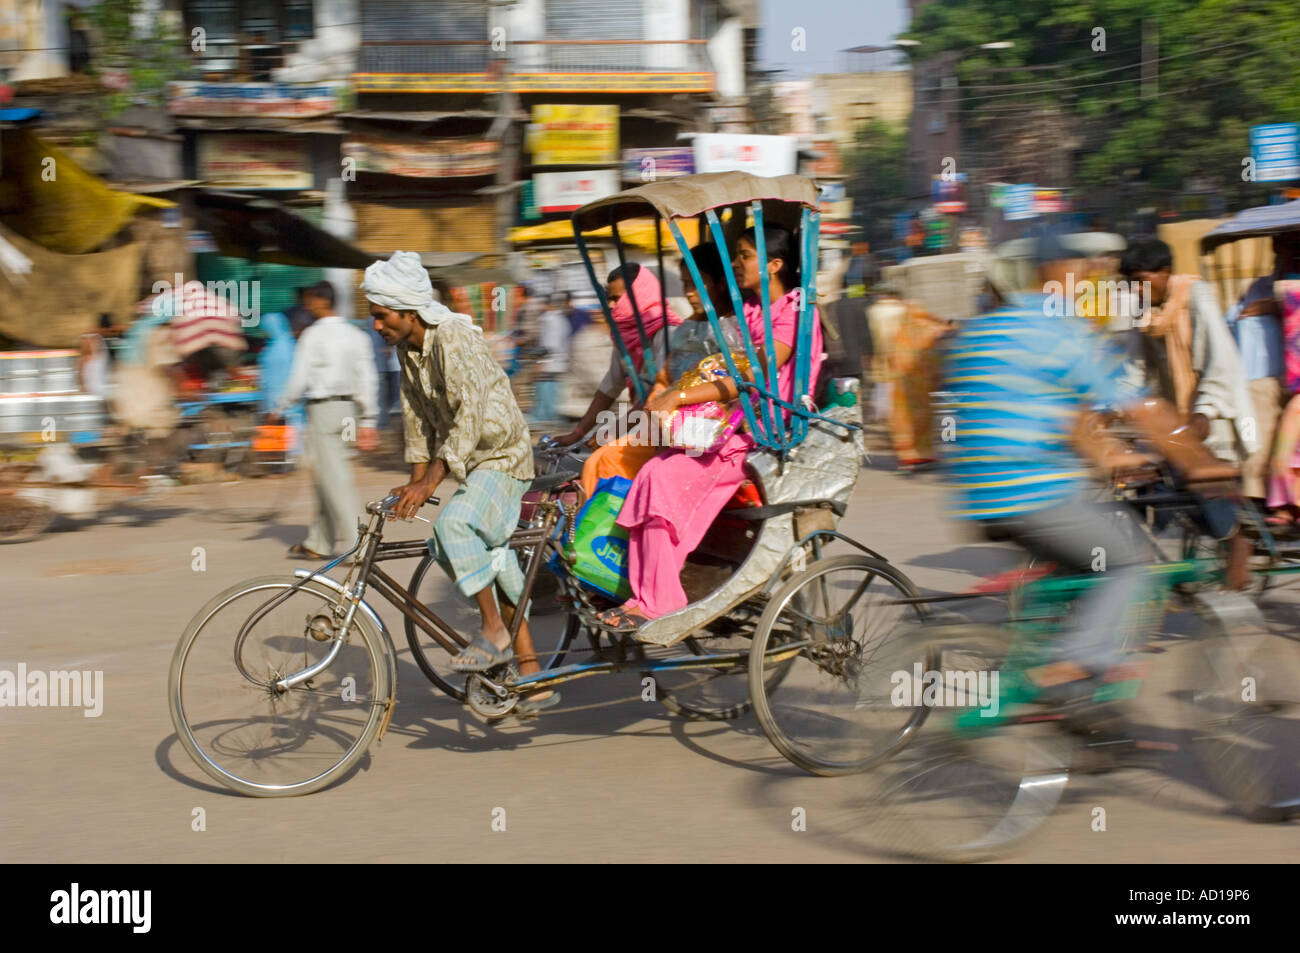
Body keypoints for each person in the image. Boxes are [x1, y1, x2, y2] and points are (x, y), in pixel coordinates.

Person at [944, 235, 1239, 712]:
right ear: (1059, 272)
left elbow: (1058, 414)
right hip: (1034, 491)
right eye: (1082, 272)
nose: (1087, 282)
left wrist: (1108, 457)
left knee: (1080, 567)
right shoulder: (1057, 327)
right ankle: (1070, 669)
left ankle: (1074, 698)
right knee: (1131, 562)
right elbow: (1140, 407)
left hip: (979, 493)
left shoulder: (983, 329)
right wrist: (1202, 464)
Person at [597, 224, 823, 628]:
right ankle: (644, 595)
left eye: (745, 256)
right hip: (727, 427)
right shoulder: (750, 312)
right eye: (735, 255)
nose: (736, 264)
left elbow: (754, 370)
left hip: (759, 436)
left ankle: (660, 602)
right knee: (650, 474)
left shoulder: (794, 313)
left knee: (664, 480)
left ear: (774, 265)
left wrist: (680, 397)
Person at [362, 251, 556, 713]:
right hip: (471, 461)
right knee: (465, 552)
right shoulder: (405, 350)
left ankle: (493, 631)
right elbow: (416, 422)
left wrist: (429, 483)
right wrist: (411, 486)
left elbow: (468, 416)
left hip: (503, 456)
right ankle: (532, 678)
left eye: (380, 316)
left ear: (409, 311)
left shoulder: (452, 338)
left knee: (452, 528)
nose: (376, 325)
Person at [578, 242, 741, 498]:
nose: (689, 294)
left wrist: (629, 424)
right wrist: (582, 431)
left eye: (695, 285)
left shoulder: (691, 330)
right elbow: (657, 382)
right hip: (662, 425)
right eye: (685, 285)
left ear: (720, 283)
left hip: (704, 429)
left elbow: (729, 384)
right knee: (599, 460)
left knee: (609, 461)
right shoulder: (683, 330)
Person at [1118, 236, 1258, 466]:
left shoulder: (1196, 296)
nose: (1138, 290)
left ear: (1165, 272)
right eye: (1133, 284)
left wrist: (1204, 411)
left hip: (1213, 420)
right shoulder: (1144, 311)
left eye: (1142, 281)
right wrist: (1112, 406)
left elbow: (1222, 362)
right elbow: (1135, 368)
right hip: (1176, 424)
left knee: (1216, 493)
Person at [270, 280, 379, 560]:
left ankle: (359, 545)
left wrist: (279, 407)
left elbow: (298, 380)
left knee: (336, 479)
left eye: (309, 299)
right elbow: (369, 379)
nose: (306, 305)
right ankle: (319, 541)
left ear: (320, 301)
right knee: (328, 475)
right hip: (350, 414)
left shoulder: (313, 336)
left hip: (324, 412)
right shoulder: (357, 335)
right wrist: (368, 419)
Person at [551, 263, 682, 451]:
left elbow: (660, 392)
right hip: (641, 424)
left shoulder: (668, 333)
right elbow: (608, 388)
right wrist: (577, 433)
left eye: (617, 299)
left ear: (639, 297)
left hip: (670, 429)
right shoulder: (625, 337)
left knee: (600, 464)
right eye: (609, 299)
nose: (611, 305)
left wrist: (615, 430)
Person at [1224, 230, 1300, 503]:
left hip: (1297, 383)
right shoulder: (1258, 287)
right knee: (1258, 445)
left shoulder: (1270, 294)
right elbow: (1237, 319)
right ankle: (1259, 506)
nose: (1294, 251)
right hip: (1264, 377)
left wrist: (1277, 304)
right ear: (1276, 247)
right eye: (1289, 243)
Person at [529, 292, 571, 428]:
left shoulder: (548, 319)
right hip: (560, 362)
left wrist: (539, 361)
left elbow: (549, 344)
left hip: (549, 362)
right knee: (554, 392)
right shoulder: (562, 319)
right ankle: (551, 417)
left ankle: (544, 417)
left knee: (545, 391)